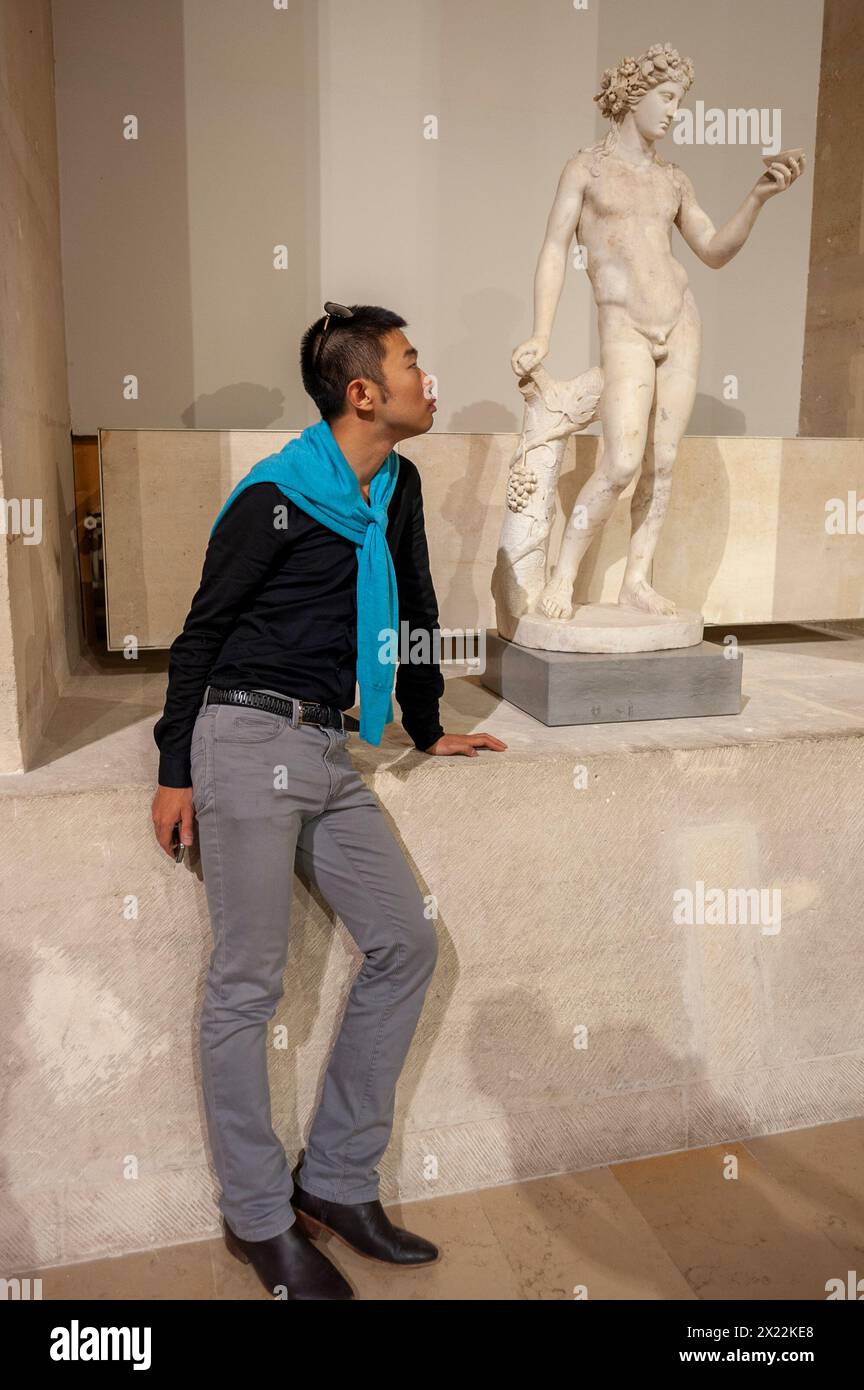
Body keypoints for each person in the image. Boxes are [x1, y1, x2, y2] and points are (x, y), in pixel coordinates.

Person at [151, 303, 506, 1300]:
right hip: (242, 733)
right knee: (247, 982)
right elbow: (202, 630)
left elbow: (419, 605)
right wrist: (175, 765)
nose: (425, 377)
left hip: (327, 745)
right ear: (363, 392)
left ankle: (339, 1180)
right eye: (410, 362)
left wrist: (429, 724)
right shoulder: (275, 497)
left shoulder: (394, 486)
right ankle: (260, 1217)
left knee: (408, 939)